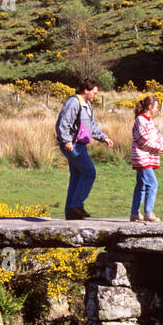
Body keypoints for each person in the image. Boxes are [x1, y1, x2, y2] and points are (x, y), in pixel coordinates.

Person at [55, 78, 112, 220]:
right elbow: (63, 123)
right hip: (73, 146)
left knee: (77, 176)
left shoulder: (87, 105)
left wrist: (103, 137)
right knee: (89, 172)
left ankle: (71, 213)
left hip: (80, 145)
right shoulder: (73, 103)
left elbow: (91, 126)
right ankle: (76, 205)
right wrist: (66, 140)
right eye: (94, 93)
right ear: (86, 90)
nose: (95, 96)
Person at [129, 94, 163, 222]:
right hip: (142, 158)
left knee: (141, 184)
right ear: (150, 107)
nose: (156, 110)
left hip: (147, 158)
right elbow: (143, 140)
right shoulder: (140, 120)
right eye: (155, 107)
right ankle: (148, 213)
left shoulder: (149, 121)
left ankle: (135, 214)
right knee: (152, 183)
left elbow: (158, 137)